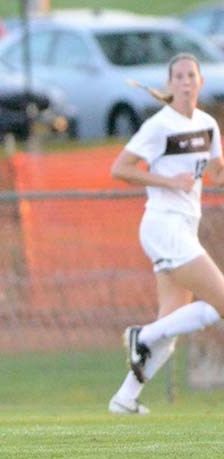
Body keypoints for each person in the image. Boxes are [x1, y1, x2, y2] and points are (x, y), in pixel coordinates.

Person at [110, 52, 224, 414]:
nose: (187, 81)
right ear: (170, 83)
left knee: (169, 327)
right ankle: (140, 336)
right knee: (219, 301)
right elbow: (121, 168)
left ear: (200, 82)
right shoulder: (161, 124)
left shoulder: (207, 125)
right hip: (163, 224)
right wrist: (166, 180)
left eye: (192, 75)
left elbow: (217, 174)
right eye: (179, 76)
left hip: (184, 226)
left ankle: (124, 399)